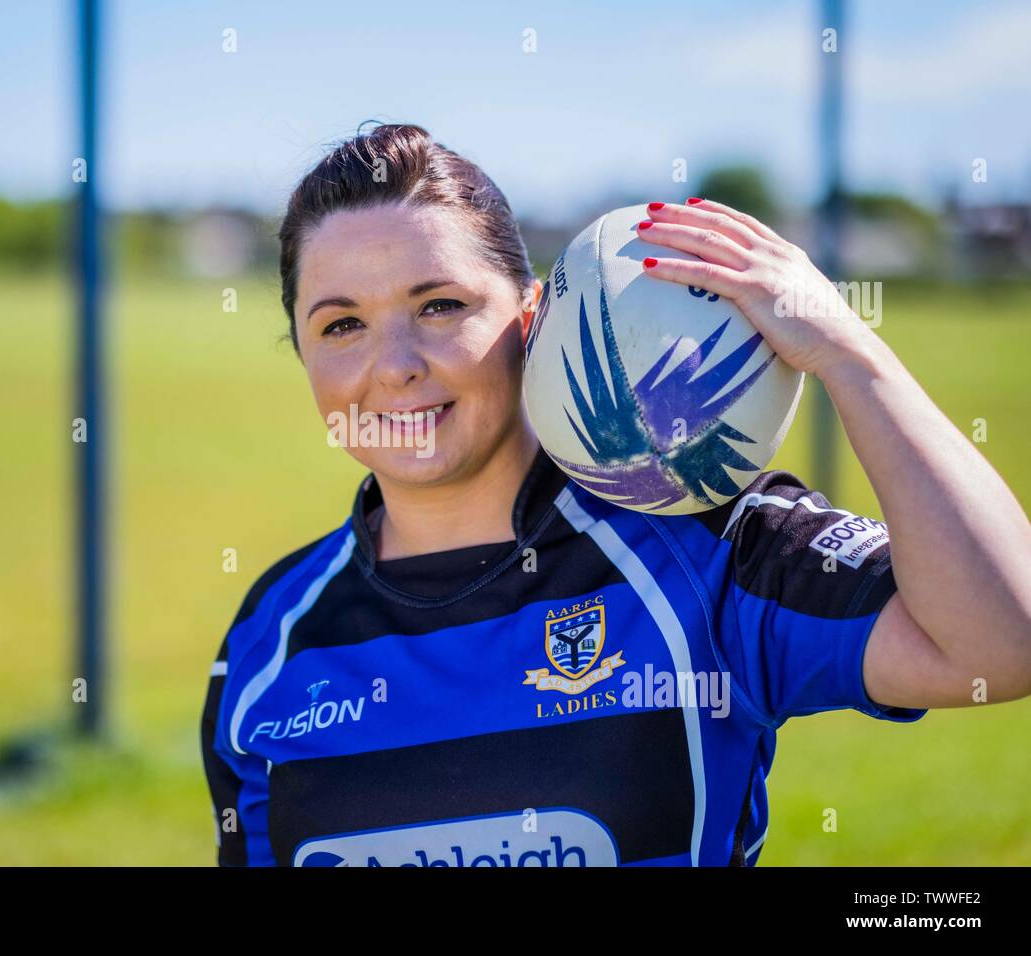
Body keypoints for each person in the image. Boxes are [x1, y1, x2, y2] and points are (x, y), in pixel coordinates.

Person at [200, 122, 1031, 867]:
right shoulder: (273, 634)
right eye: (341, 324)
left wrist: (850, 354)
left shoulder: (705, 555)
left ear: (532, 319)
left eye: (441, 305)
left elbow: (1001, 644)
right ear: (303, 353)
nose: (396, 366)